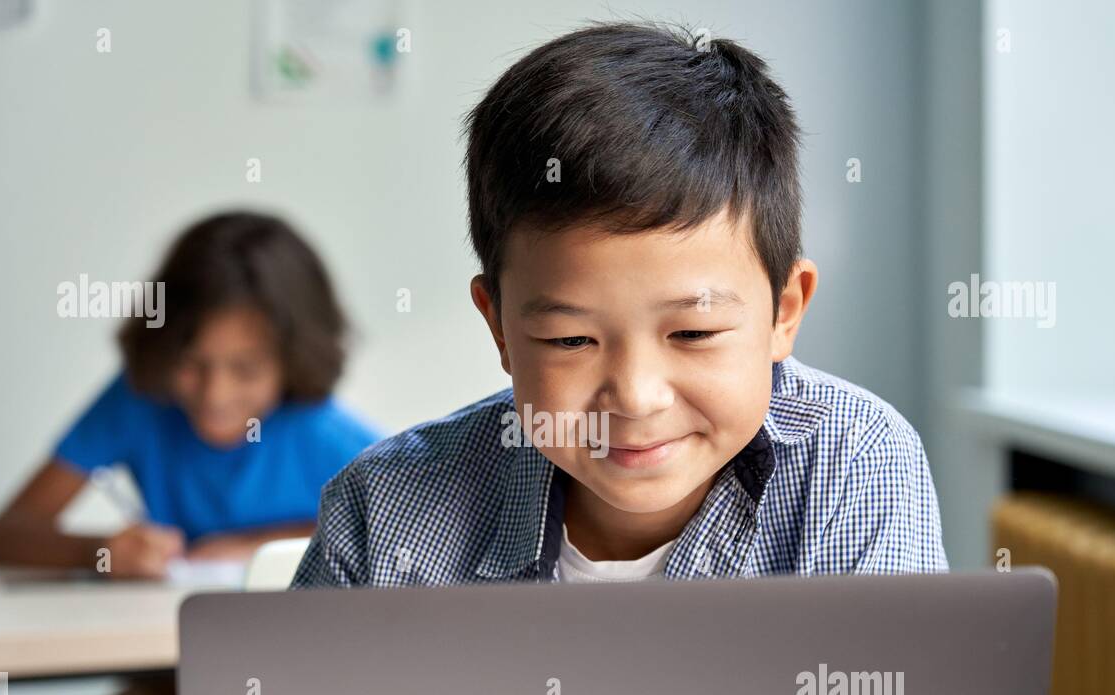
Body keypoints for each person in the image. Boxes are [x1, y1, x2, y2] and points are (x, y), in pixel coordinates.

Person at [292, 22, 946, 592]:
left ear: (784, 313)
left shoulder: (855, 459)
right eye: (571, 341)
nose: (635, 398)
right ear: (498, 325)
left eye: (692, 332)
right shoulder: (383, 510)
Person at [0, 211, 381, 695]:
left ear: (293, 358)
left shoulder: (325, 434)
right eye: (193, 366)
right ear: (162, 352)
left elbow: (414, 533)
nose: (215, 394)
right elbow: (7, 534)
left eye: (245, 369)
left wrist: (259, 544)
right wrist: (102, 550)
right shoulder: (138, 403)